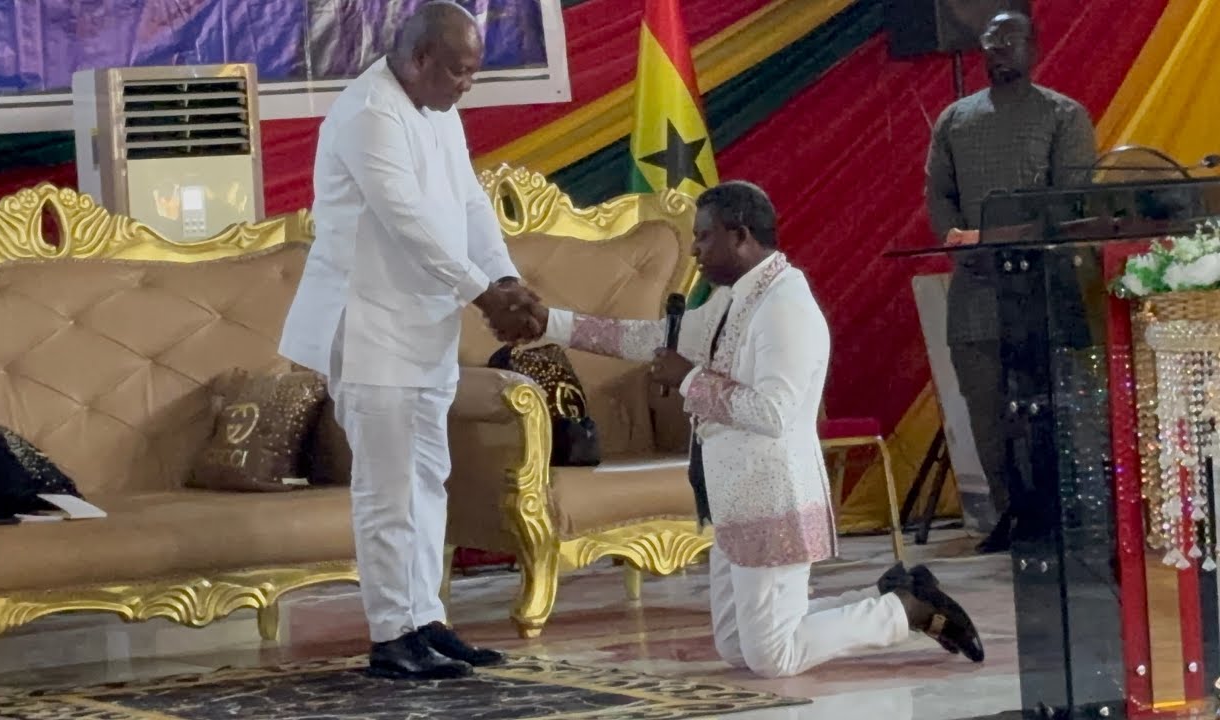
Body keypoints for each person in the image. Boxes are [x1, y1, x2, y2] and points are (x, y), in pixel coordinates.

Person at [505, 181, 983, 677]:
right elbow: (650, 337)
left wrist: (688, 379)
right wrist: (548, 322)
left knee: (775, 657)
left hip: (773, 495)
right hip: (734, 494)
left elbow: (774, 413)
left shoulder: (785, 307)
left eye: (703, 237)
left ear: (741, 235)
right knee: (738, 645)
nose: (693, 248)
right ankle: (887, 595)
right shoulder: (733, 300)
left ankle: (903, 611)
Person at [279, 0, 541, 680]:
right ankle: (391, 634)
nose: (466, 85)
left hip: (425, 328)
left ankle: (426, 618)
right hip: (368, 328)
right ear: (419, 57)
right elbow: (408, 224)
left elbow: (468, 205)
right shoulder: (369, 113)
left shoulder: (438, 108)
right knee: (387, 488)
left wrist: (506, 274)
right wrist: (486, 295)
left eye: (473, 72)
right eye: (459, 70)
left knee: (429, 481)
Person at [925, 11, 1096, 554]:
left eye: (1009, 40)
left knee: (1054, 409)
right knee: (988, 410)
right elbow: (938, 196)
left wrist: (1000, 237)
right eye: (990, 41)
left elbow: (1069, 200)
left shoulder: (1064, 115)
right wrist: (959, 240)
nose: (998, 49)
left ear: (1033, 48)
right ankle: (1010, 516)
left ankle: (1061, 518)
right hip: (975, 291)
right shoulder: (954, 120)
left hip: (1044, 290)